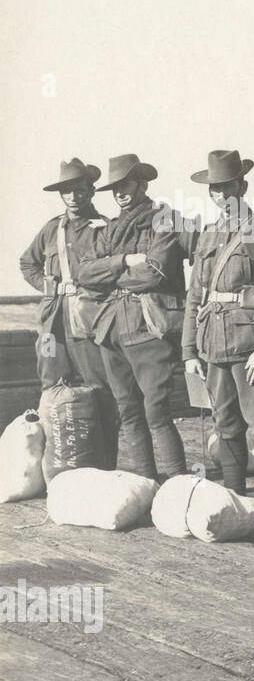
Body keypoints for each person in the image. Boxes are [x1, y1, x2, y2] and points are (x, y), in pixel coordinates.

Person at [182, 149, 254, 540]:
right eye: (214, 189)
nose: (220, 195)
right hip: (214, 347)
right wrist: (189, 350)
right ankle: (236, 503)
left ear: (242, 187)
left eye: (227, 187)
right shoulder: (208, 234)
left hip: (250, 347)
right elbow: (196, 296)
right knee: (226, 427)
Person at [77, 154, 189, 479]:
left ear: (142, 183)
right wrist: (123, 261)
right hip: (111, 329)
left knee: (157, 411)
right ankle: (146, 485)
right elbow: (84, 273)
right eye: (114, 188)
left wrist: (111, 275)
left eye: (124, 184)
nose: (119, 193)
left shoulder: (164, 220)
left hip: (148, 327)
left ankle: (178, 485)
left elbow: (154, 272)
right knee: (128, 411)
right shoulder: (108, 230)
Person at [19, 160, 119, 466]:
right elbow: (27, 263)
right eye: (67, 191)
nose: (73, 197)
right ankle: (59, 464)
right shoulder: (51, 230)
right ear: (61, 195)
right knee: (51, 386)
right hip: (52, 327)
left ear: (90, 191)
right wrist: (46, 286)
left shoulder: (104, 228)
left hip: (87, 323)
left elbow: (115, 270)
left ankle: (103, 465)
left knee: (98, 389)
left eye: (79, 190)